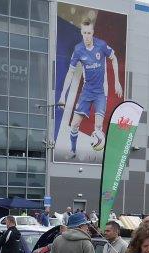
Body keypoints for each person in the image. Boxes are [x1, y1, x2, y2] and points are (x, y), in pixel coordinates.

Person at [56, 18, 123, 160]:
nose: (87, 36)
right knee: (74, 124)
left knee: (98, 126)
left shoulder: (101, 45)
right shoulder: (78, 49)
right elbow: (70, 72)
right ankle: (73, 151)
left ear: (93, 32)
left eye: (89, 33)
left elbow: (114, 58)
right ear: (81, 32)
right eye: (84, 33)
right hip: (86, 92)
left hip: (100, 92)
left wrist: (117, 81)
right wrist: (63, 95)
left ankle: (97, 152)